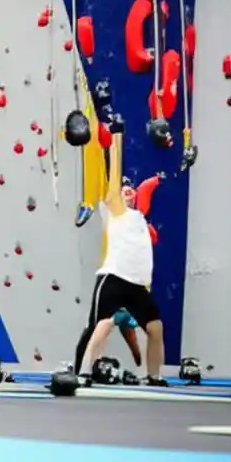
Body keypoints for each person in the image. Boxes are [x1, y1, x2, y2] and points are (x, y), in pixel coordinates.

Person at [72, 130, 167, 386]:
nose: (128, 192)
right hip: (114, 278)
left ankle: (154, 375)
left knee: (155, 327)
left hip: (137, 284)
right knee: (102, 325)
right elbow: (114, 179)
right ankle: (84, 372)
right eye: (123, 190)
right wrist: (116, 139)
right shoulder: (115, 211)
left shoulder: (138, 218)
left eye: (130, 190)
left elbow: (145, 189)